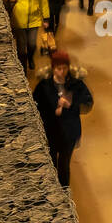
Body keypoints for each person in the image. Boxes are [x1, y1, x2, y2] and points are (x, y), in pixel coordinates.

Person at [32, 50, 93, 185]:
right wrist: (53, 109)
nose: (62, 72)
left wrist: (71, 104)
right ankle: (53, 189)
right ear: (53, 68)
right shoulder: (44, 86)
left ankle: (64, 193)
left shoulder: (76, 84)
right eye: (59, 68)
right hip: (50, 131)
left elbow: (88, 102)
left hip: (69, 133)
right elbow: (35, 105)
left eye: (65, 68)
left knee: (64, 166)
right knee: (51, 162)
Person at [3, 0, 51, 73]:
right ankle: (23, 69)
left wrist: (46, 18)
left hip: (34, 21)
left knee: (32, 44)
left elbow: (43, 2)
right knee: (21, 49)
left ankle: (30, 58)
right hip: (19, 21)